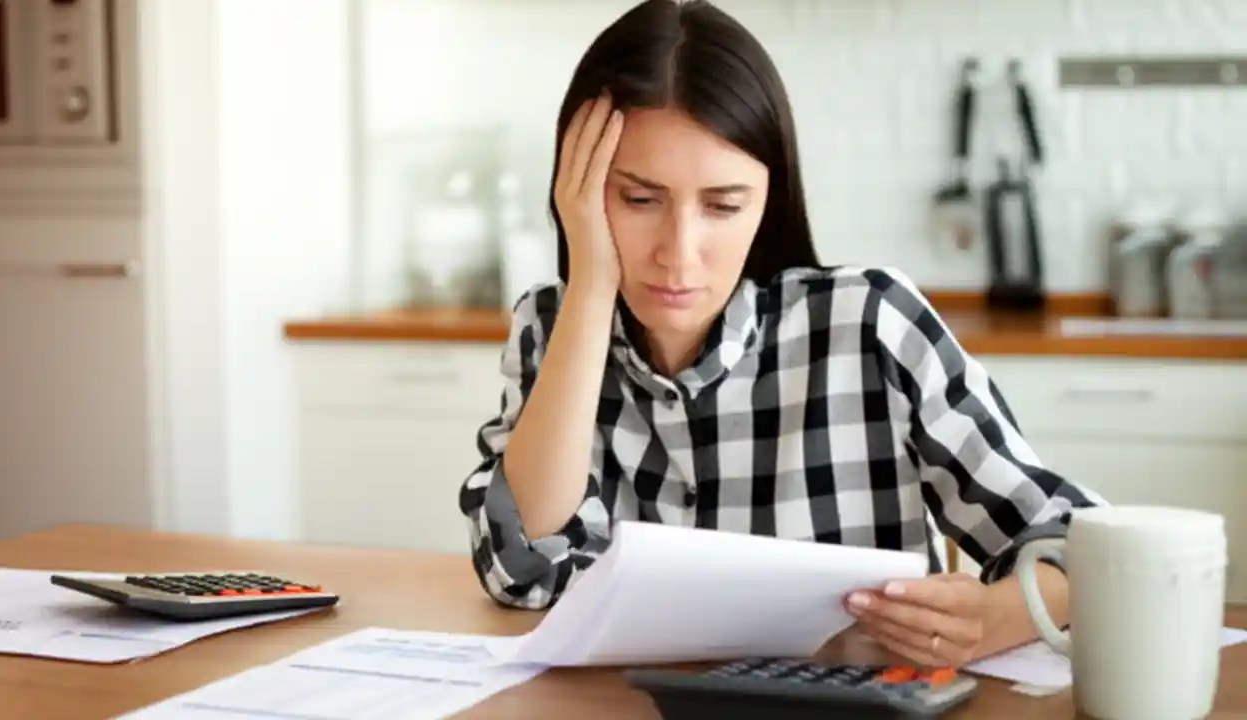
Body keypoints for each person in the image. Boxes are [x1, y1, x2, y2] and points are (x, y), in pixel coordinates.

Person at [458, 0, 1099, 668]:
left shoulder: (869, 322)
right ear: (579, 191)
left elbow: (1082, 540)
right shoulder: (553, 330)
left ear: (768, 200)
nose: (680, 252)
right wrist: (590, 281)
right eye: (639, 199)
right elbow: (521, 566)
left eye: (723, 206)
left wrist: (993, 618)